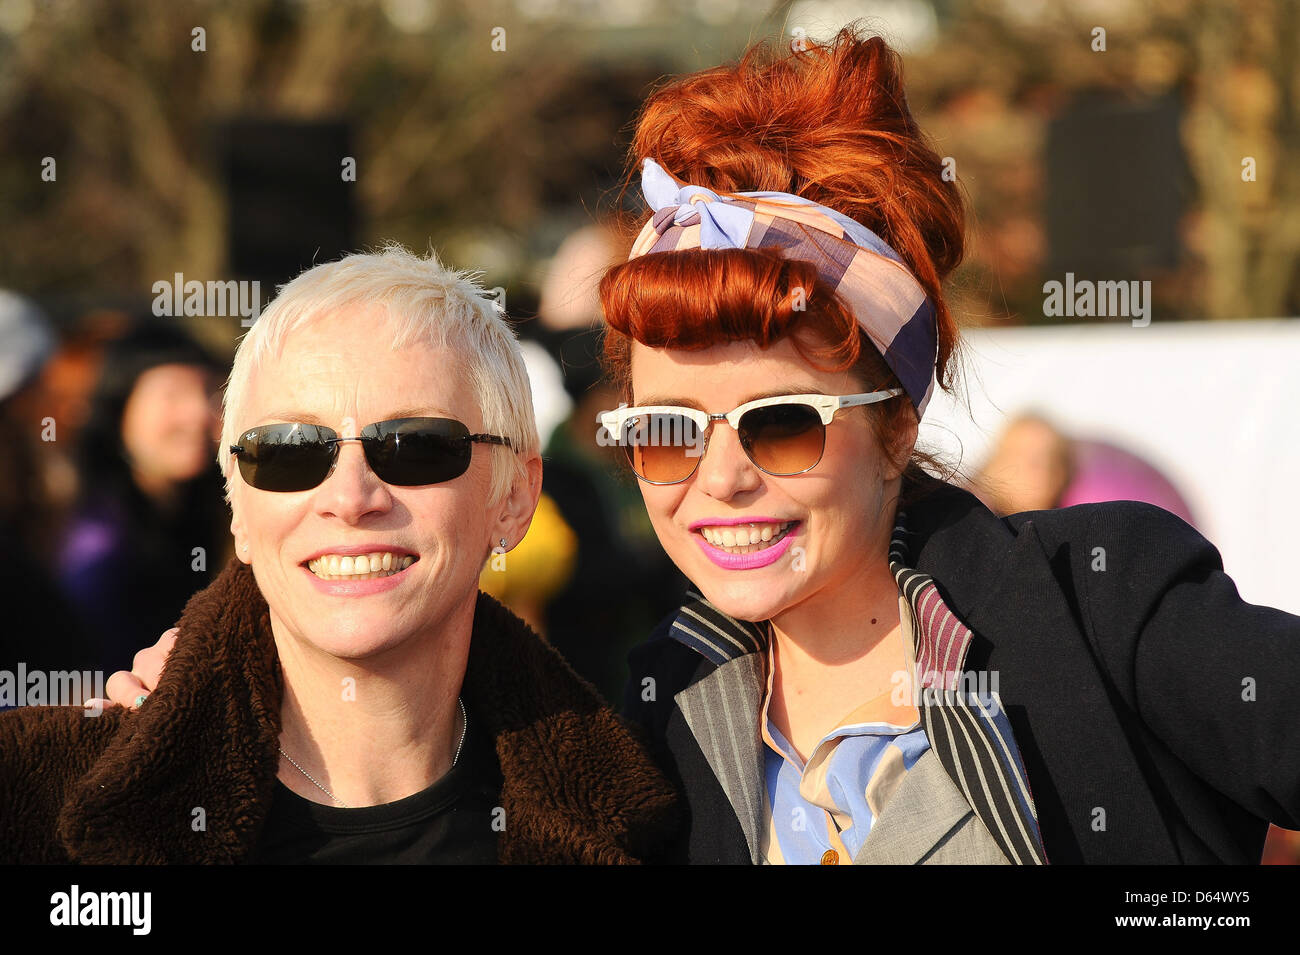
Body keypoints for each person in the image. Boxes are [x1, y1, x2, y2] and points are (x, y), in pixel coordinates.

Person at [595, 27, 1300, 864]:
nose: (720, 479)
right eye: (668, 432)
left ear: (896, 427)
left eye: (780, 421)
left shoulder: (1098, 605)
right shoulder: (648, 709)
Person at [0, 245, 678, 864]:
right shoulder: (33, 797)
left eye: (415, 444)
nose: (350, 497)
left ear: (514, 496)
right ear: (236, 498)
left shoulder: (655, 818)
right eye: (290, 451)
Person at [56, 319, 231, 673]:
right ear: (119, 409)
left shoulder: (211, 511)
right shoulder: (97, 550)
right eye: (173, 394)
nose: (198, 413)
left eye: (208, 391)